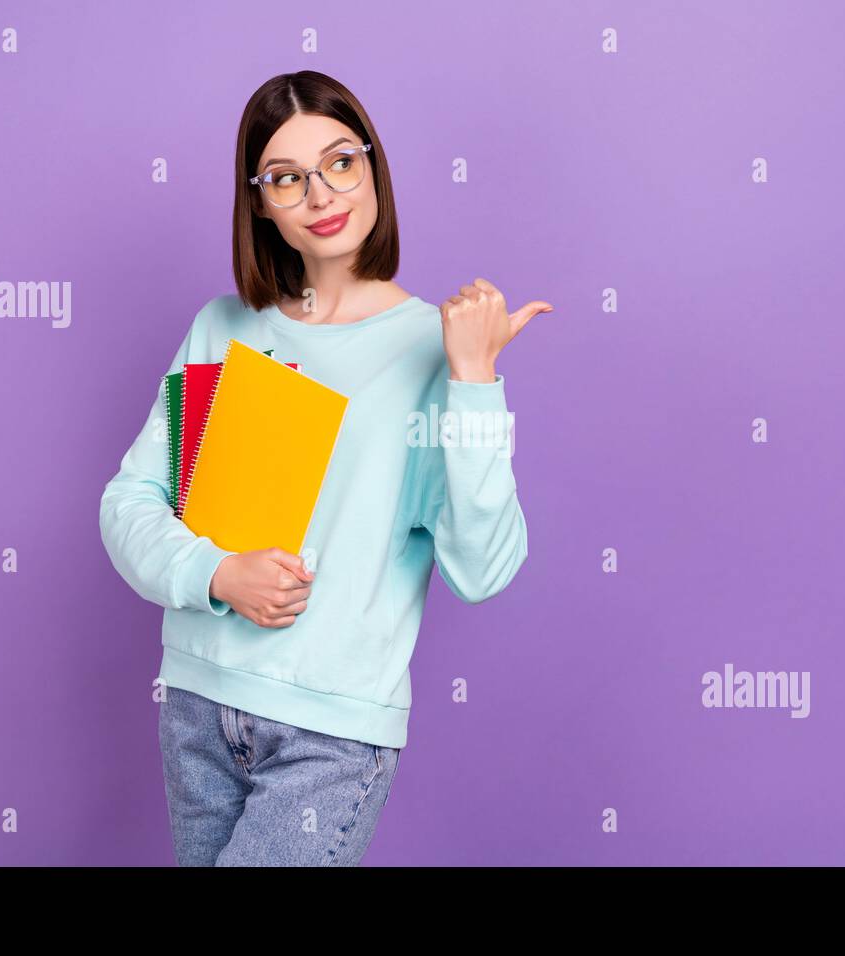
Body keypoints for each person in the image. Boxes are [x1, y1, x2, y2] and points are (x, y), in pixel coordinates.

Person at [99, 70, 551, 866]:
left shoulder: (432, 352)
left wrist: (474, 381)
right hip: (197, 707)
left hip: (332, 733)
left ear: (372, 166)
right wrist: (213, 572)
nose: (320, 194)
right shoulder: (226, 329)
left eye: (341, 162)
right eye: (286, 178)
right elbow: (131, 501)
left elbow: (485, 569)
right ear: (260, 202)